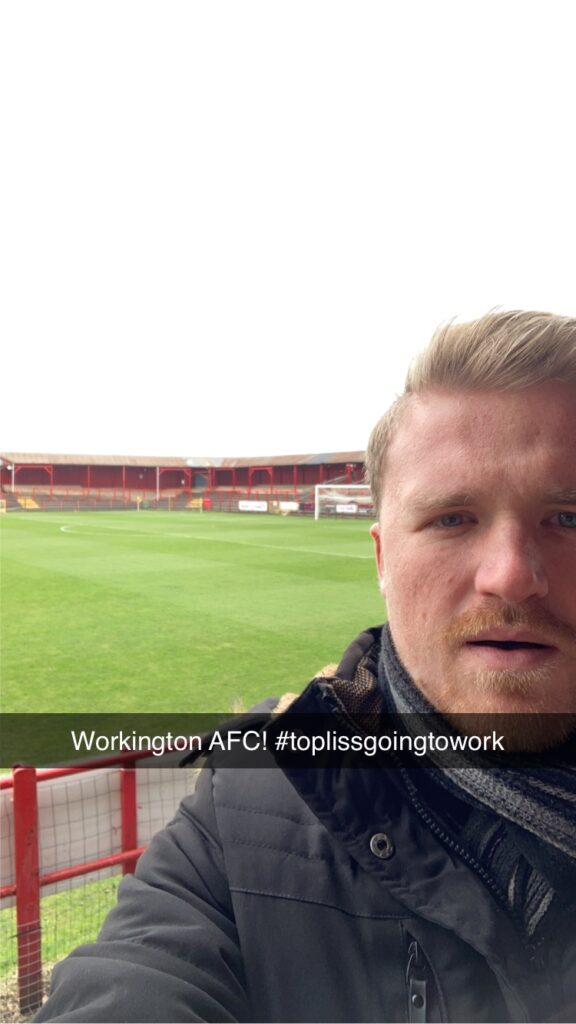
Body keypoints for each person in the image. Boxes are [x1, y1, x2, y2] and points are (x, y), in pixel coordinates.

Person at [37, 310, 576, 1023]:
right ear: (383, 560)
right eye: (452, 518)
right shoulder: (244, 824)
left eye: (569, 517)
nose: (511, 575)